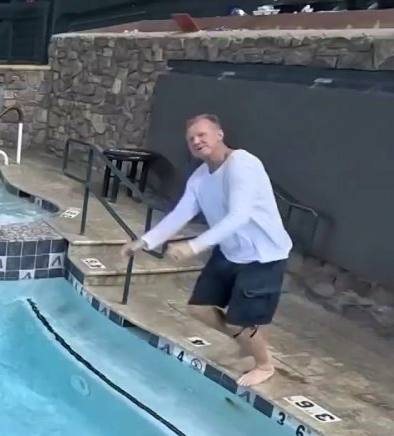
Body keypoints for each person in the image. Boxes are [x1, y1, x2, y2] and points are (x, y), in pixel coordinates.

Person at [122, 113, 292, 387]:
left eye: (202, 135)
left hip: (262, 255)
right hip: (230, 251)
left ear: (219, 134)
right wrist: (144, 242)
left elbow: (239, 215)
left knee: (239, 322)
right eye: (191, 139)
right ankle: (245, 339)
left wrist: (194, 246)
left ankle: (264, 364)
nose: (197, 141)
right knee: (199, 308)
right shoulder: (200, 178)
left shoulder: (243, 164)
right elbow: (180, 215)